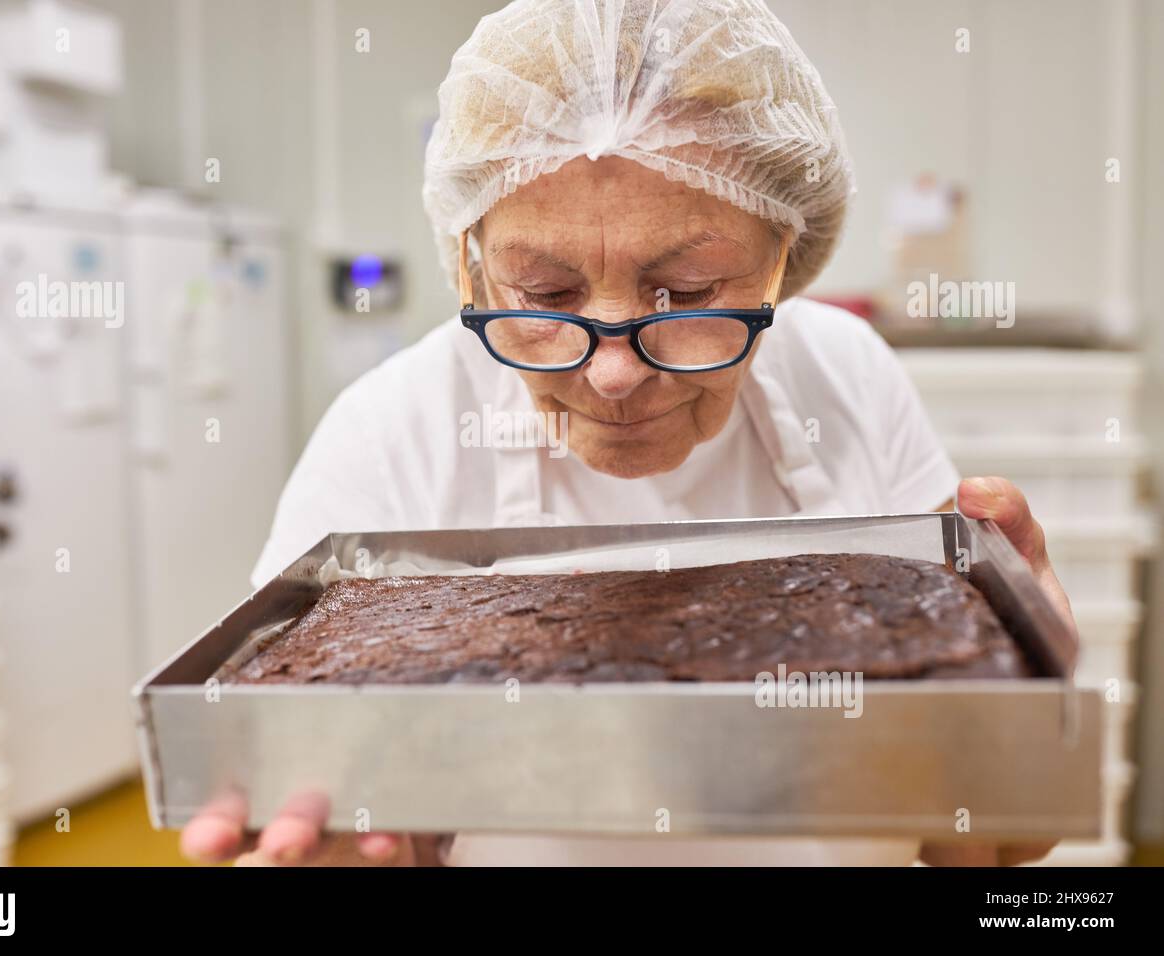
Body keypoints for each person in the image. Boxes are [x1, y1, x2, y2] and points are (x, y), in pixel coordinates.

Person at [182, 0, 1075, 866]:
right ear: (473, 267)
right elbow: (280, 772)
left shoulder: (848, 377)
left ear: (781, 260)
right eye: (543, 294)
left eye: (686, 294)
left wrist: (1029, 733)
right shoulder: (392, 433)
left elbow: (993, 843)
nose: (613, 373)